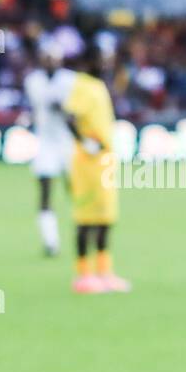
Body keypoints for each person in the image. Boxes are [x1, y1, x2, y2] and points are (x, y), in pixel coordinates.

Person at [64, 50, 130, 293]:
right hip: (87, 163)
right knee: (85, 217)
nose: (106, 63)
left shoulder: (99, 85)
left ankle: (104, 272)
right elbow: (69, 118)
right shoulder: (83, 85)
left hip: (104, 162)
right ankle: (83, 275)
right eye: (102, 59)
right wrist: (85, 142)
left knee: (106, 217)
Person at [23, 41, 75, 257]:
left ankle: (83, 230)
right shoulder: (33, 81)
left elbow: (72, 110)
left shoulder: (70, 80)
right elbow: (41, 106)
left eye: (54, 58)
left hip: (67, 142)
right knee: (45, 192)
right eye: (47, 57)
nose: (50, 62)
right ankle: (50, 241)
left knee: (77, 190)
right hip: (46, 142)